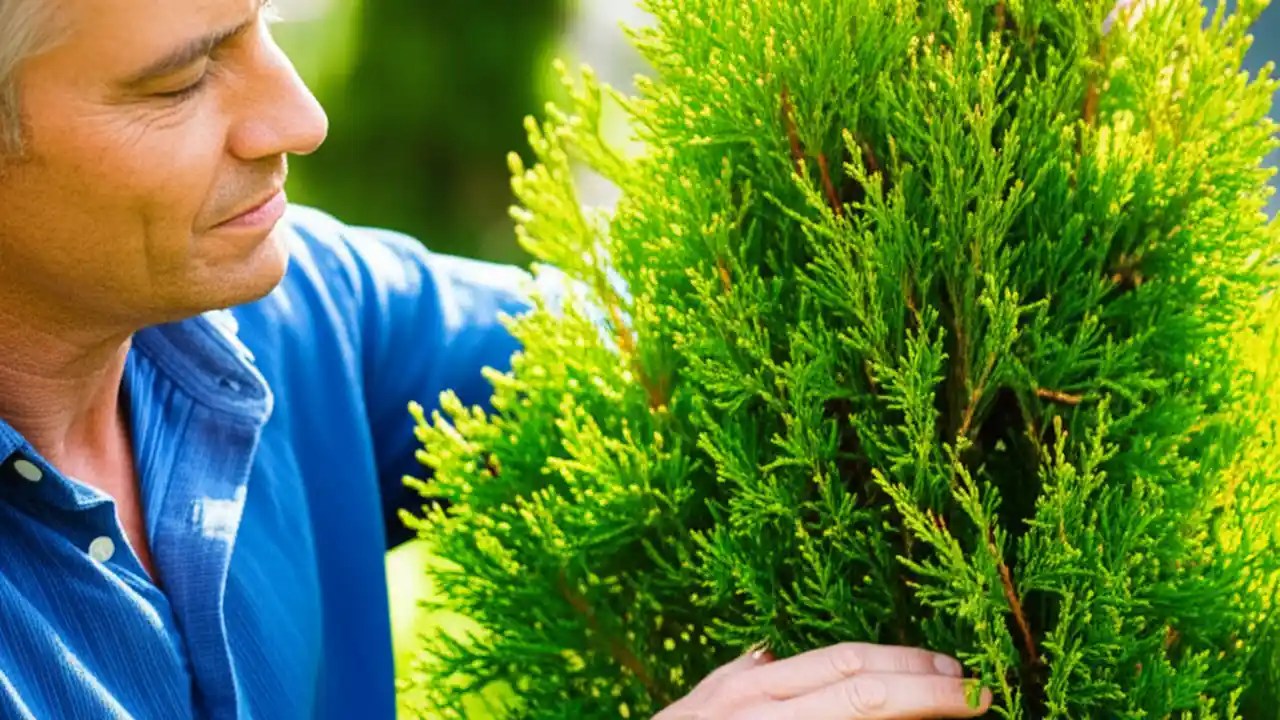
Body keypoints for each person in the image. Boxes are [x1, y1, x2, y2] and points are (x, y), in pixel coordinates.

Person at [0, 0, 1269, 719]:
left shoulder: (297, 316)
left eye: (264, 23)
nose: (298, 115)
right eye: (180, 84)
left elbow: (682, 367)